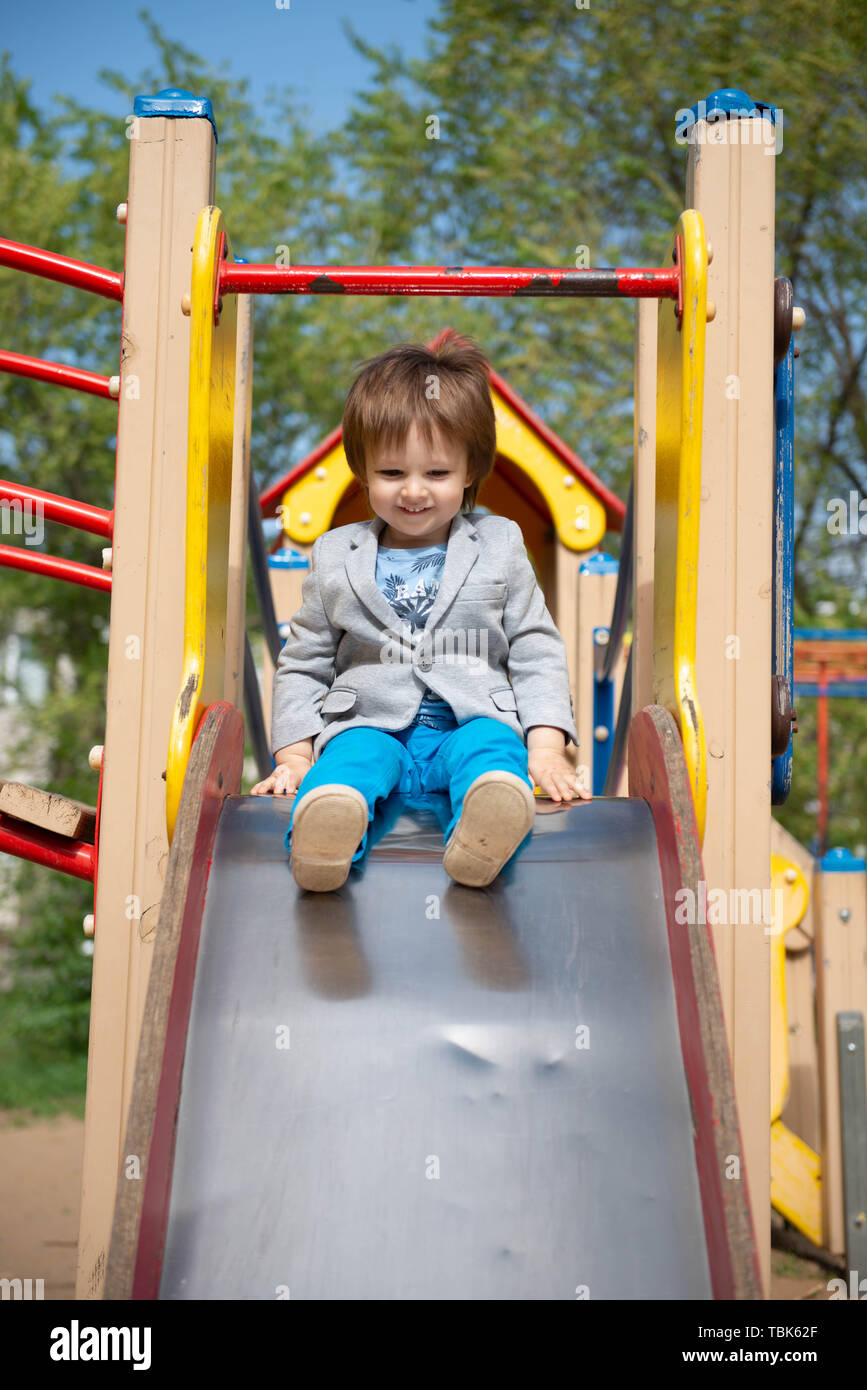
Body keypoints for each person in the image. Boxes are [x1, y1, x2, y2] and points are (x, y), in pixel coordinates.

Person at [251, 330, 590, 890]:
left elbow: (534, 646)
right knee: (346, 769)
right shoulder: (337, 553)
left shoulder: (499, 542)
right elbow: (304, 660)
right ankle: (325, 841)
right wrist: (293, 756)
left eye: (436, 474)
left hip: (472, 720)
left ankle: (482, 837)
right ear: (363, 470)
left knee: (493, 759)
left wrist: (547, 748)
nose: (413, 491)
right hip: (369, 725)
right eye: (391, 474)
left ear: (471, 470)